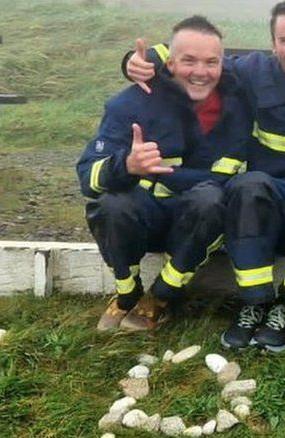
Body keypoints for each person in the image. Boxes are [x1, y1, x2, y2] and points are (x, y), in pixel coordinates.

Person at [124, 1, 285, 352]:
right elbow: (198, 59)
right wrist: (140, 60)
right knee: (247, 185)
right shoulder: (252, 71)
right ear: (273, 44)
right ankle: (255, 303)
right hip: (274, 197)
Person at [77, 16, 251, 332]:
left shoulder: (241, 102)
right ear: (169, 63)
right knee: (111, 204)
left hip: (203, 224)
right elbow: (87, 175)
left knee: (211, 199)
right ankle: (127, 294)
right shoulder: (130, 103)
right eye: (189, 61)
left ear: (223, 64)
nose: (201, 72)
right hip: (146, 218)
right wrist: (126, 166)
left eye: (211, 62)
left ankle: (161, 296)